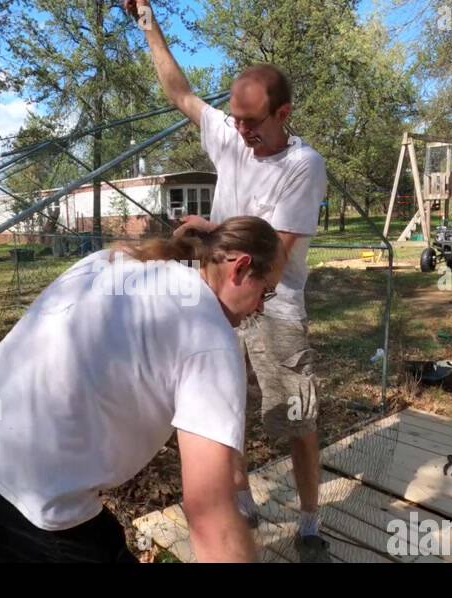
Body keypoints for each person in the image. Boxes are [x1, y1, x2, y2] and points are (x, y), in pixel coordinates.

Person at [0, 217, 285, 562]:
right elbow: (211, 520)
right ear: (240, 268)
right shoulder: (210, 338)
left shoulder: (117, 261)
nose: (260, 307)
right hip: (21, 500)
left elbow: (220, 461)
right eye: (265, 292)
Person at [126, 0, 331, 562]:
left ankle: (310, 520)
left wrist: (208, 236)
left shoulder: (302, 166)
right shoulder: (231, 134)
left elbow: (271, 260)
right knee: (221, 407)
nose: (239, 131)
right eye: (235, 119)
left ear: (284, 114)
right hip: (216, 300)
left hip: (273, 305)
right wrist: (149, 22)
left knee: (296, 415)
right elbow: (180, 94)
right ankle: (239, 499)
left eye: (253, 121)